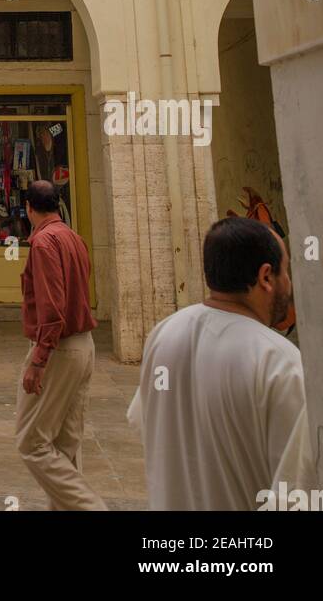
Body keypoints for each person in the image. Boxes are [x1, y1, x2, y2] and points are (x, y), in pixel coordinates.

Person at [128, 215, 310, 511]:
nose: (288, 283)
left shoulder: (164, 333)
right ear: (266, 277)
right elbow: (293, 494)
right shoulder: (280, 361)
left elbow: (143, 422)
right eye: (285, 270)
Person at [14, 179, 106, 510]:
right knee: (65, 445)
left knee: (32, 442)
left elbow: (52, 306)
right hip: (84, 345)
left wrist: (39, 359)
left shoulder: (43, 243)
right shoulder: (73, 237)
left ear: (28, 208)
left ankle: (91, 507)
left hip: (60, 348)